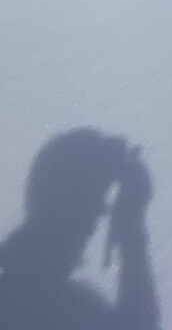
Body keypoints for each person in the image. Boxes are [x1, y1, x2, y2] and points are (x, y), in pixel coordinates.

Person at [0, 129, 161, 330]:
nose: (99, 215)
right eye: (91, 201)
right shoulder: (67, 307)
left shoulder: (23, 289)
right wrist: (131, 229)